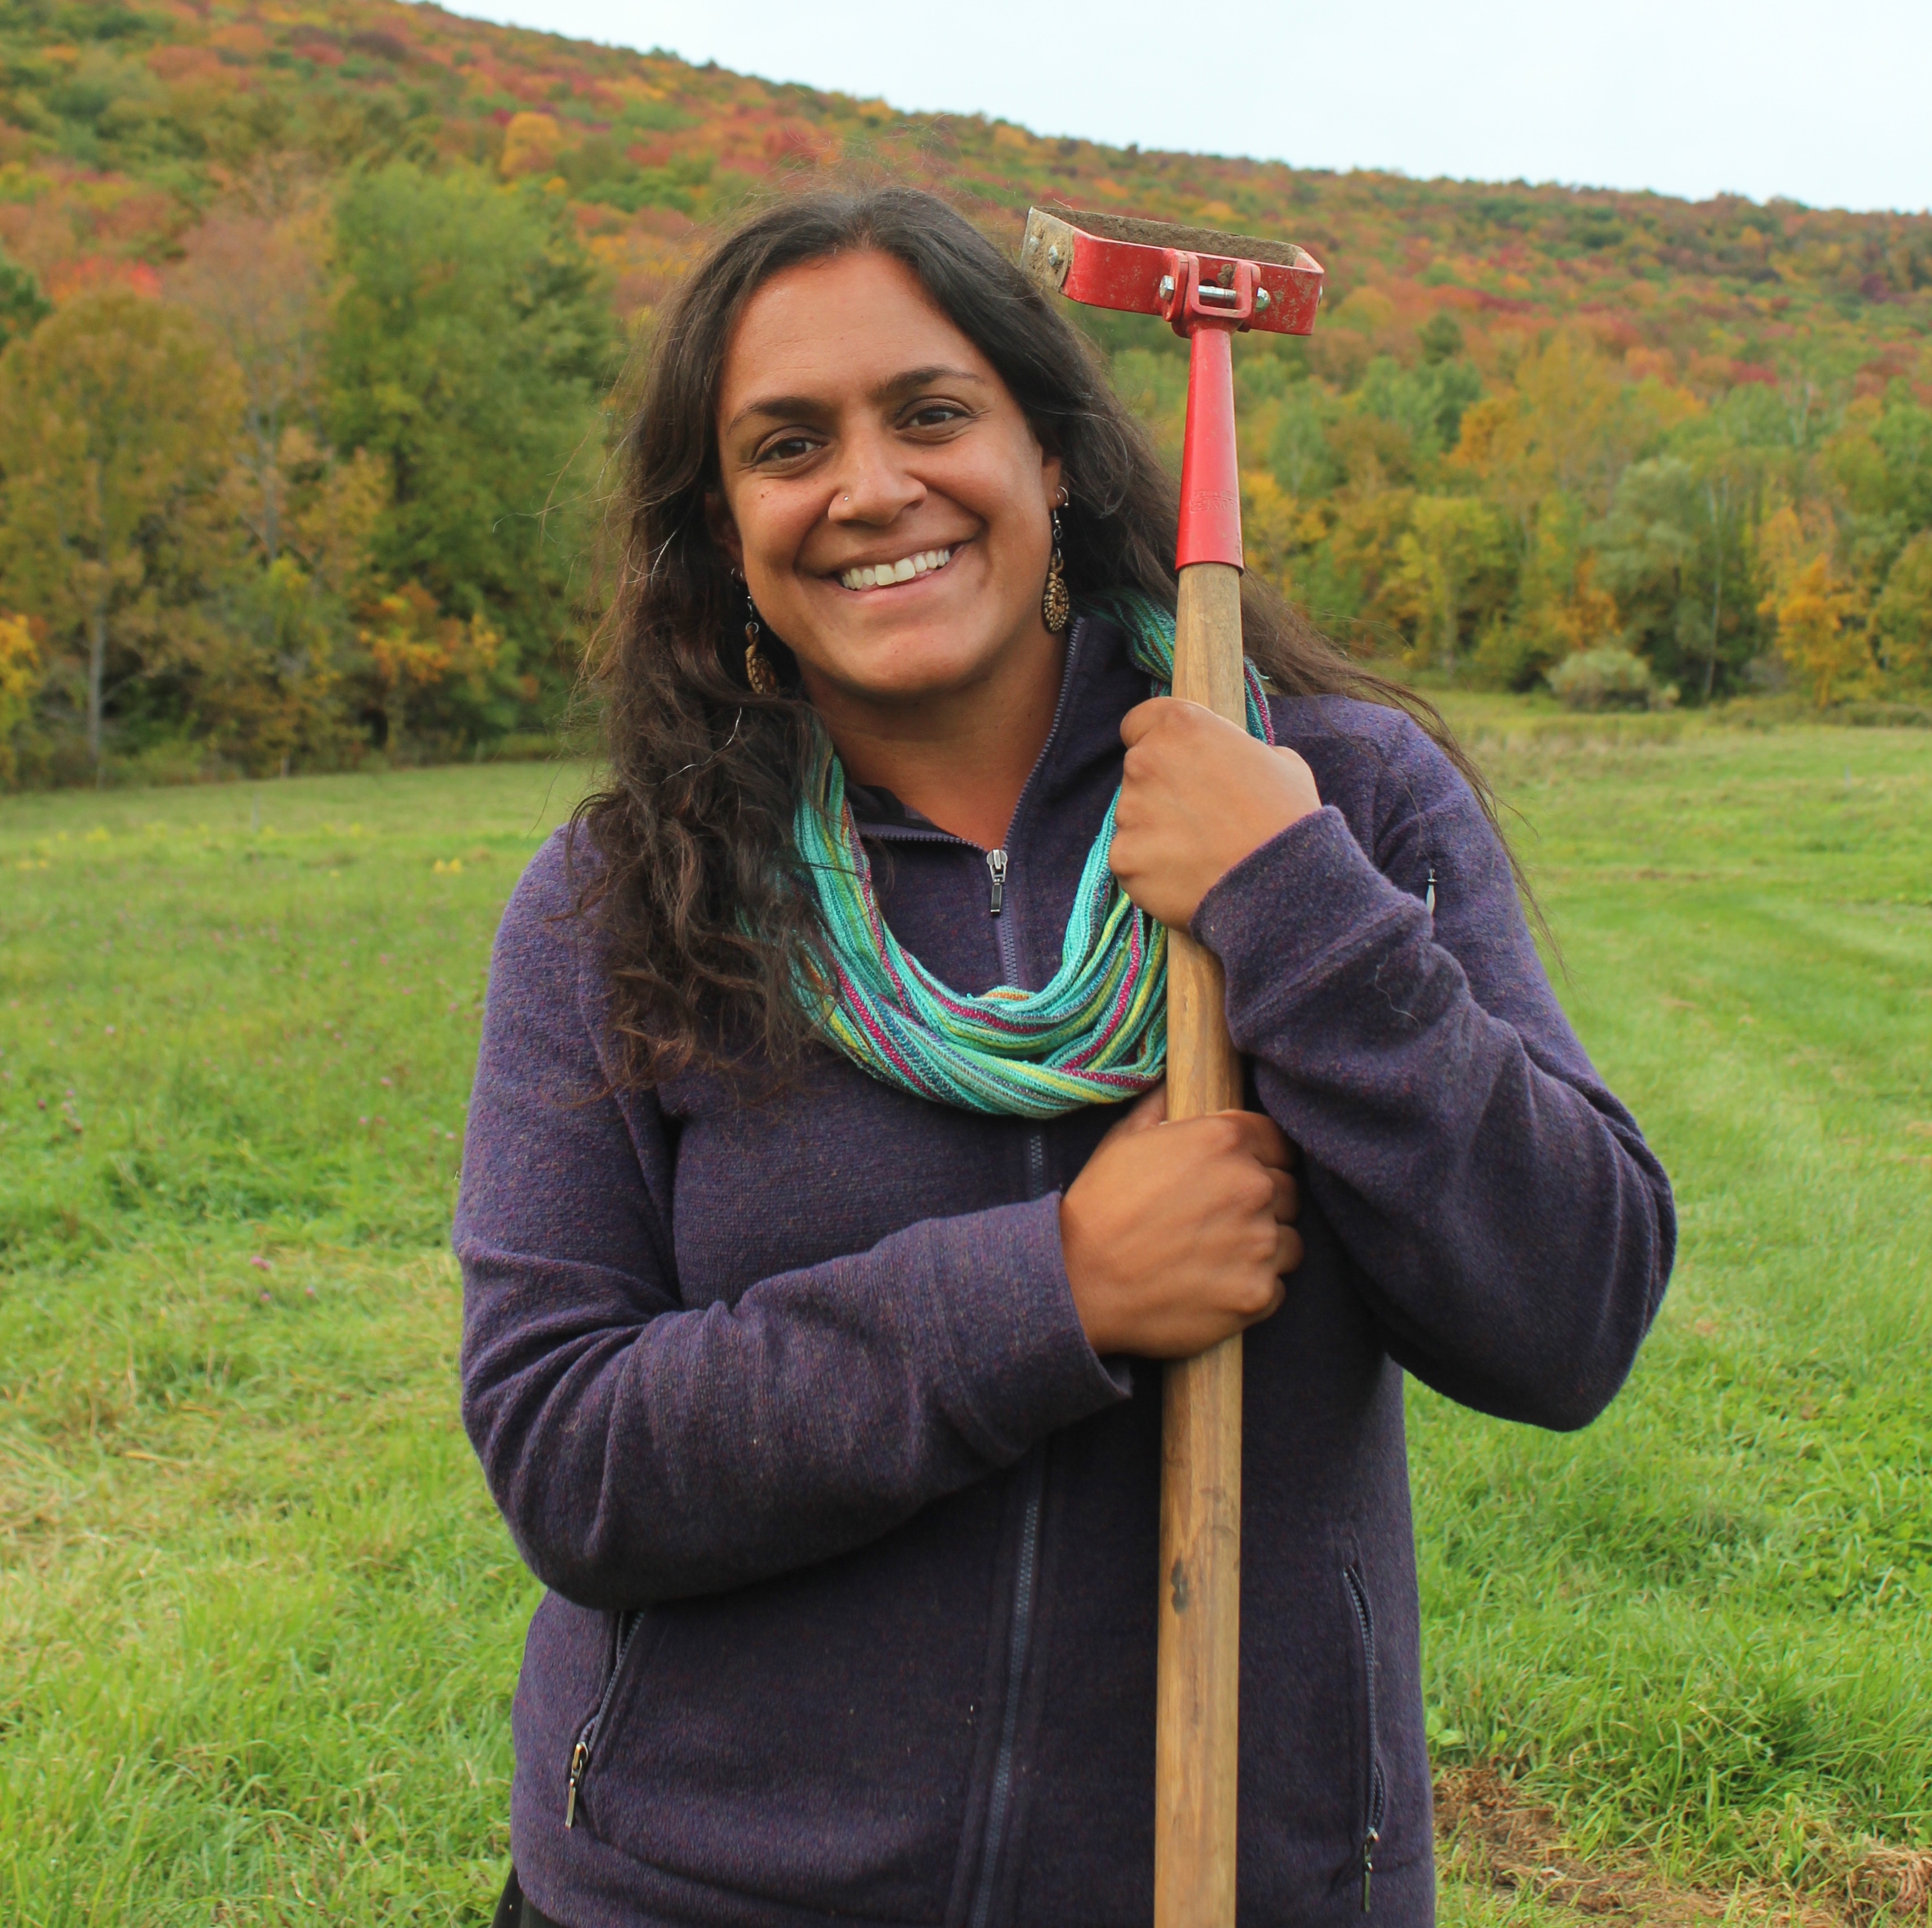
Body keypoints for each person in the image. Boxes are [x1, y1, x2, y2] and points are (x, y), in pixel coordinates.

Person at [458, 187, 1673, 1928]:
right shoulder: (616, 903)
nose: (871, 487)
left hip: (1221, 1883)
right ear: (725, 530)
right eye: (787, 444)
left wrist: (1293, 904)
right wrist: (1059, 1286)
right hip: (705, 1892)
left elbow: (1570, 1315)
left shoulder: (1343, 800)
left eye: (932, 413)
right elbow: (570, 1454)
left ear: (1057, 458)